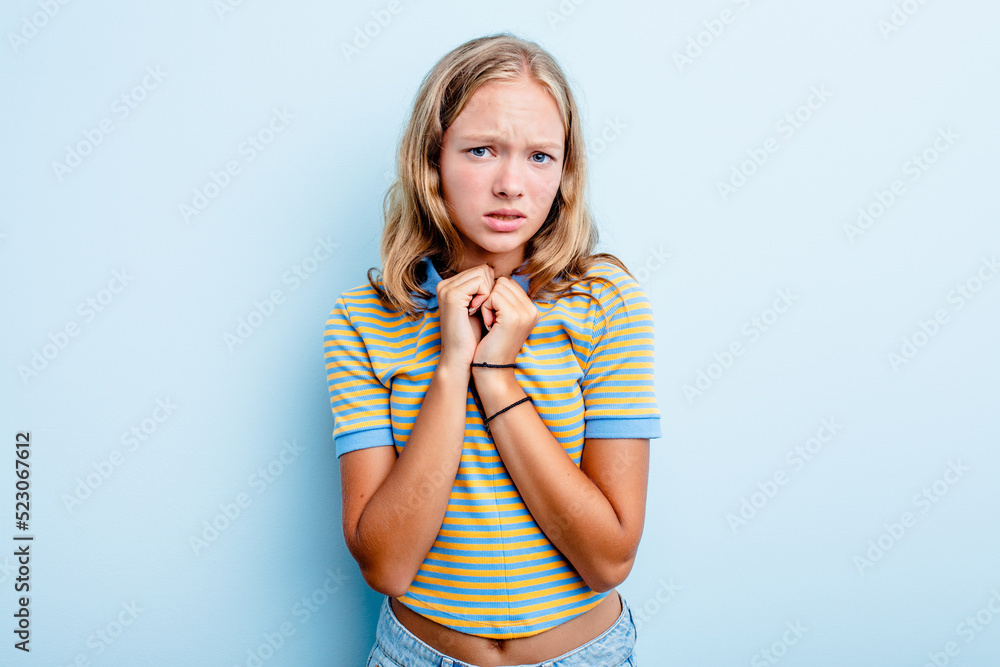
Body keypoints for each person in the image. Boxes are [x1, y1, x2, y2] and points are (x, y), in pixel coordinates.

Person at [324, 32, 661, 667]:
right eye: (482, 151)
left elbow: (608, 557)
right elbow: (388, 566)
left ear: (564, 174)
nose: (512, 184)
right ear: (432, 164)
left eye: (540, 156)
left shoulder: (606, 300)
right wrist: (452, 365)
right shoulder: (359, 320)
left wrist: (498, 375)